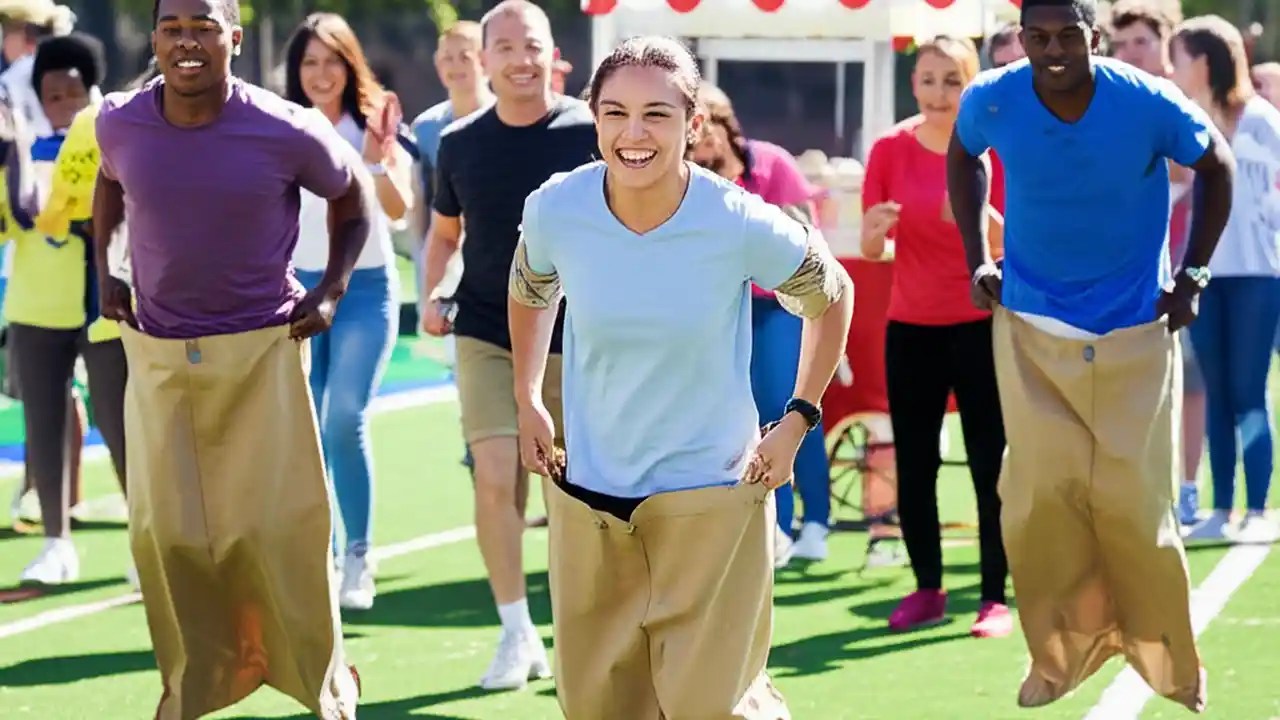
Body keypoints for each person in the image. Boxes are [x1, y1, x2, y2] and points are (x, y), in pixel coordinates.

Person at [509, 34, 852, 720]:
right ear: (594, 118)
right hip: (594, 503)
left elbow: (833, 294)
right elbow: (528, 289)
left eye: (656, 115)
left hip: (713, 500)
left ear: (694, 125)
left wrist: (798, 418)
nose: (633, 134)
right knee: (600, 705)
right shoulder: (555, 209)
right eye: (615, 113)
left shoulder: (737, 219)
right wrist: (524, 397)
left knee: (706, 706)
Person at [946, 0, 1234, 710]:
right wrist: (978, 257)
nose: (1052, 51)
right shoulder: (993, 96)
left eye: (1067, 36)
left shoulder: (1146, 100)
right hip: (1032, 329)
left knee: (1132, 507)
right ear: (1020, 38)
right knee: (1041, 502)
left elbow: (1216, 165)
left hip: (1135, 329)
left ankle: (1170, 664)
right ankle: (1058, 660)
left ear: (1093, 38)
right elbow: (963, 155)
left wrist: (1192, 276)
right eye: (1037, 37)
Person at [93, 0, 371, 716]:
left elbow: (353, 197)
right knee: (168, 536)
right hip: (159, 353)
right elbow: (109, 181)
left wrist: (333, 289)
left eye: (204, 26)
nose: (187, 42)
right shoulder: (119, 120)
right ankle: (193, 687)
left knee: (281, 532)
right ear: (155, 38)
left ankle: (324, 686)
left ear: (235, 39)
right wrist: (105, 269)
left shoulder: (284, 128)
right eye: (173, 28)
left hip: (261, 353)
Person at [419, 0, 597, 690]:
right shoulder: (460, 143)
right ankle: (516, 631)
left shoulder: (589, 131)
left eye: (534, 46)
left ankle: (578, 628)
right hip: (487, 328)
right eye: (506, 48)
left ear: (553, 55)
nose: (521, 60)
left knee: (568, 490)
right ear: (483, 59)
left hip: (575, 334)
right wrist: (432, 296)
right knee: (496, 475)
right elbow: (444, 235)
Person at [861, 35, 1011, 638]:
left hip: (978, 323)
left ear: (971, 83)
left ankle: (995, 596)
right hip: (912, 327)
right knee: (915, 463)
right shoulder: (889, 149)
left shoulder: (989, 149)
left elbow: (1008, 244)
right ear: (913, 83)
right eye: (928, 79)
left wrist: (978, 214)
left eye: (952, 80)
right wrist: (873, 230)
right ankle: (927, 588)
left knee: (988, 463)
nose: (939, 92)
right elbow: (873, 250)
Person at [284, 11, 413, 611]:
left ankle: (359, 553)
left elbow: (398, 210)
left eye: (331, 60)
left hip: (364, 292)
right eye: (309, 62)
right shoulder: (278, 123)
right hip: (295, 294)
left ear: (349, 62)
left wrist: (377, 157)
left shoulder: (375, 121)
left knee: (342, 415)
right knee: (307, 431)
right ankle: (323, 554)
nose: (319, 73)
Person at [690, 82, 833, 565]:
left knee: (788, 405)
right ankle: (775, 523)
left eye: (705, 125)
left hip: (779, 305)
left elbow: (807, 237)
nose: (699, 139)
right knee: (738, 414)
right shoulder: (690, 181)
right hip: (722, 309)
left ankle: (814, 520)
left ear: (725, 124)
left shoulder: (773, 165)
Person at [5, 31, 128, 586]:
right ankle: (57, 543)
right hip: (36, 306)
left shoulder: (116, 144)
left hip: (104, 306)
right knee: (43, 423)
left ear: (93, 89)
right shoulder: (20, 151)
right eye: (52, 96)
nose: (65, 106)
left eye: (74, 93)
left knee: (120, 422)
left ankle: (146, 542)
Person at [1170, 15, 1280, 544]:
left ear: (1206, 61)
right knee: (1215, 390)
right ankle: (1221, 506)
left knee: (1248, 391)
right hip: (1204, 274)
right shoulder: (1183, 120)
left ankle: (1258, 507)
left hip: (1259, 275)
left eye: (1179, 57)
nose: (1173, 68)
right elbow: (1173, 193)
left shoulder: (1260, 119)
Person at [1107, 0, 1208, 527]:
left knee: (1189, 382)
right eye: (1121, 44)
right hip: (1124, 273)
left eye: (1141, 42)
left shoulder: (1177, 104)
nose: (1129, 53)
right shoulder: (1105, 99)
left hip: (1182, 264)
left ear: (1165, 48)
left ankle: (1187, 487)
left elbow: (1197, 173)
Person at [411, 20, 492, 478]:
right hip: (449, 265)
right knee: (465, 370)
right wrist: (428, 271)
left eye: (466, 54)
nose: (457, 66)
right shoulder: (426, 130)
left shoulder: (509, 117)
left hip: (497, 262)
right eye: (448, 57)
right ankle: (479, 454)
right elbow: (423, 208)